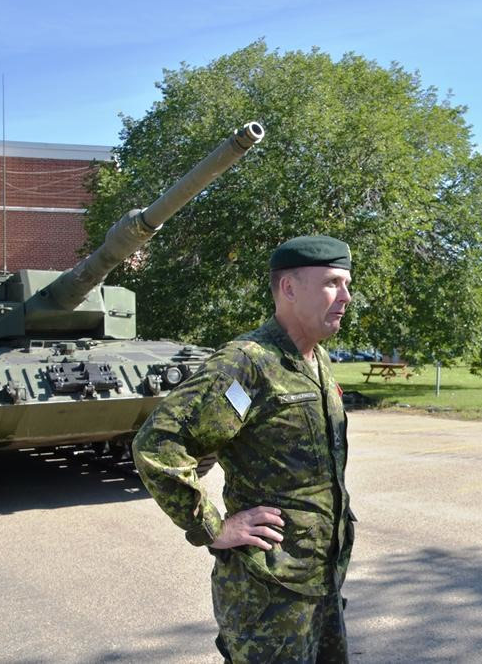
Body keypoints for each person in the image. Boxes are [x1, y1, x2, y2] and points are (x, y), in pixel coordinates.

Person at [133, 236, 356, 663]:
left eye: (347, 284)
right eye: (332, 283)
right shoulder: (247, 363)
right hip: (267, 593)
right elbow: (158, 445)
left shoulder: (317, 361)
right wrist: (212, 526)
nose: (345, 297)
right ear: (289, 289)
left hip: (320, 581)